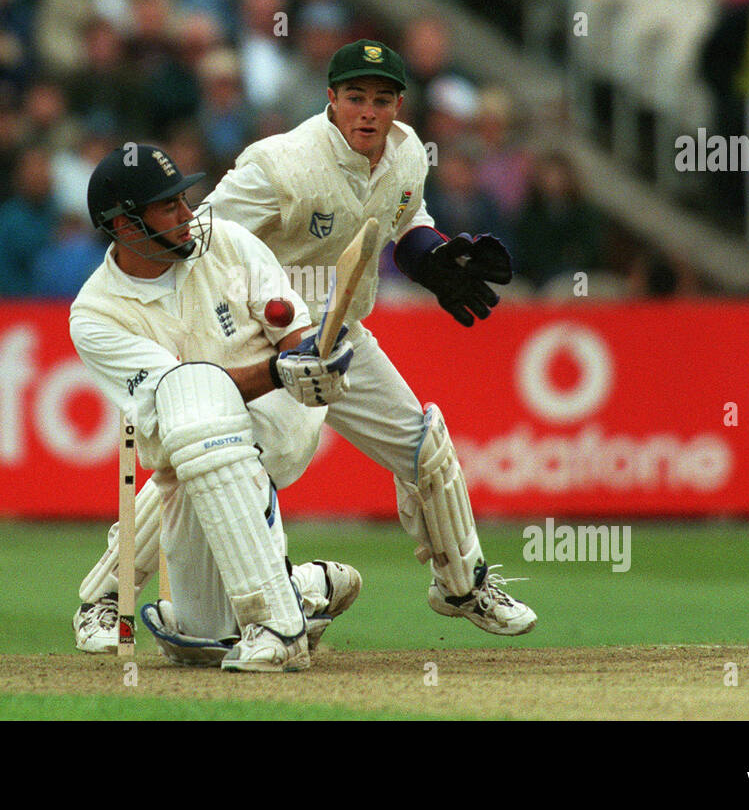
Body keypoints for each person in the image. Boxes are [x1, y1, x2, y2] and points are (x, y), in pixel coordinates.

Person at [72, 40, 537, 654]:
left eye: (381, 100)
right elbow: (202, 232)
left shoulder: (405, 155)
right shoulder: (280, 164)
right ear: (331, 100)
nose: (368, 113)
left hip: (339, 329)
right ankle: (109, 593)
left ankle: (462, 585)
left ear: (399, 104)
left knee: (424, 446)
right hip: (262, 328)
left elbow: (405, 218)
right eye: (355, 98)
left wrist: (431, 256)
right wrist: (214, 335)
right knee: (207, 454)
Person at [70, 144, 361, 672]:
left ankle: (277, 623)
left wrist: (316, 356)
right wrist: (278, 369)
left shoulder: (225, 241)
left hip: (275, 420)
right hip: (194, 451)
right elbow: (187, 392)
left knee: (201, 428)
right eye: (168, 207)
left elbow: (292, 332)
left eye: (185, 199)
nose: (189, 216)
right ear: (124, 225)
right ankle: (301, 586)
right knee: (205, 637)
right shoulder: (95, 315)